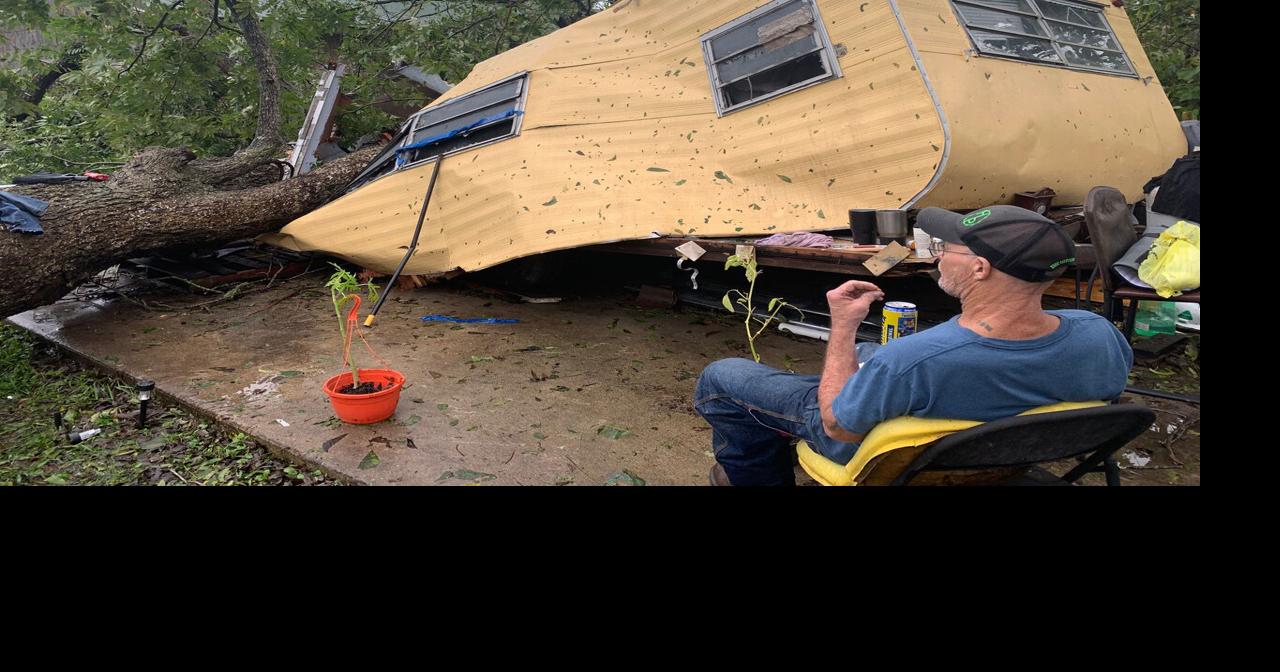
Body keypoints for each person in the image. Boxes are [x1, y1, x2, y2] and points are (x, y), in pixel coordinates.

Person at [695, 205, 1134, 486]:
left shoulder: (911, 361)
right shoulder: (1099, 333)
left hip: (870, 445)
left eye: (946, 248)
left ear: (980, 268)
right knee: (867, 360)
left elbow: (838, 426)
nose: (938, 255)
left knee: (724, 377)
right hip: (1006, 445)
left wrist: (844, 327)